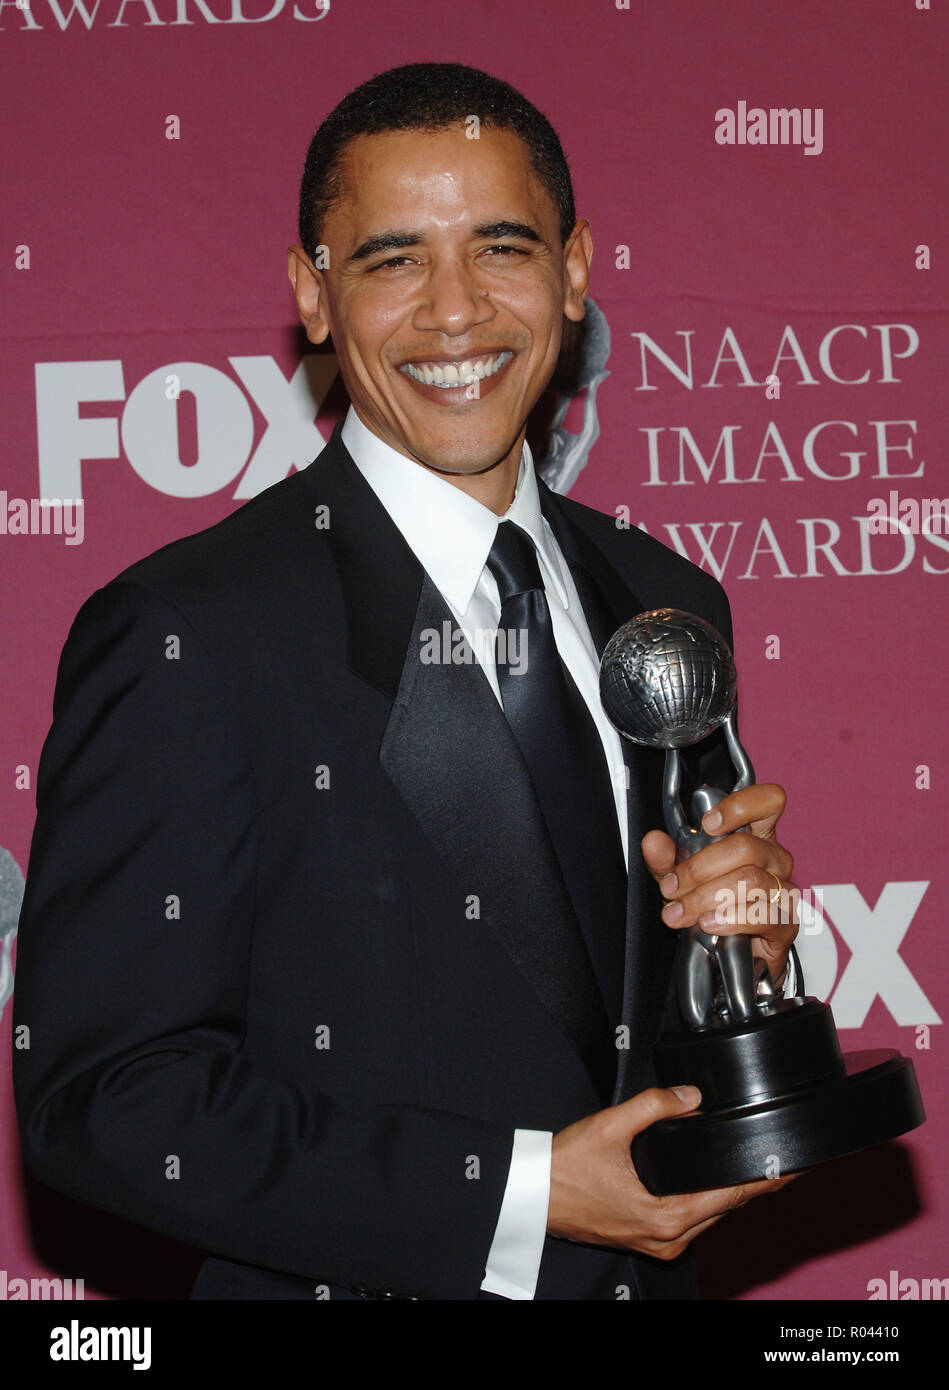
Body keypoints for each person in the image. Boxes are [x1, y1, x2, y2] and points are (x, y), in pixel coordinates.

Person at [13, 61, 800, 1301]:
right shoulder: (191, 633)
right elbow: (104, 1099)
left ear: (575, 268)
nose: (454, 312)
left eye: (500, 248)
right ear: (311, 296)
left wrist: (733, 949)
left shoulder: (664, 598)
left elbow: (611, 1024)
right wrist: (521, 1197)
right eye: (391, 261)